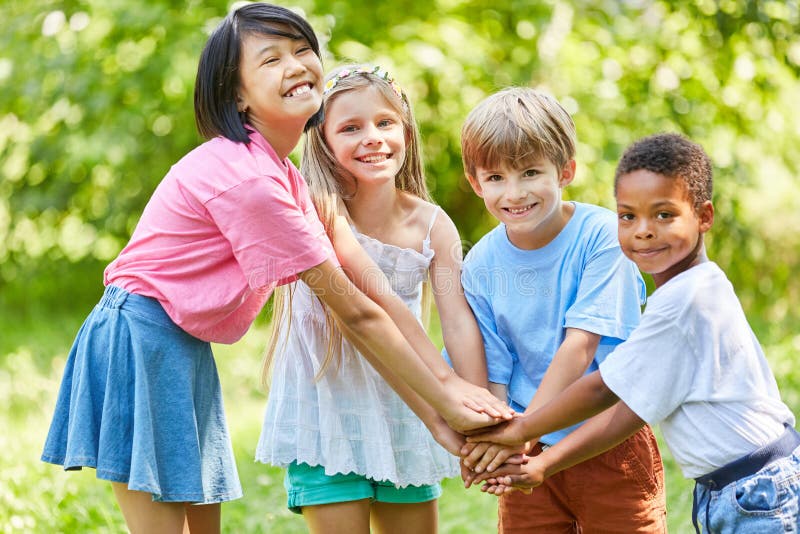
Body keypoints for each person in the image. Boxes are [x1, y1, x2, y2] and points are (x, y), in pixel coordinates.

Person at [40, 5, 509, 533]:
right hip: (137, 338)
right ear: (237, 95)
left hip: (181, 343)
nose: (295, 65)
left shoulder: (279, 174)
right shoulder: (253, 183)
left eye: (302, 49)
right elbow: (355, 314)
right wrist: (447, 405)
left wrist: (441, 403)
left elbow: (374, 292)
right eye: (271, 59)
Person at [468, 133, 800, 534]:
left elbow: (603, 390)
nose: (643, 231)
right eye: (627, 216)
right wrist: (543, 462)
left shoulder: (685, 302)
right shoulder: (689, 290)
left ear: (704, 216)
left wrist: (521, 431)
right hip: (737, 488)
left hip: (758, 492)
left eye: (664, 215)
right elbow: (633, 408)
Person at [256, 64, 491, 534]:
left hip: (408, 406)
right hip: (327, 411)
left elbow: (458, 322)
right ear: (323, 141)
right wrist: (448, 389)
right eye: (351, 128)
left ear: (406, 131)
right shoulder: (314, 211)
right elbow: (367, 310)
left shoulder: (432, 225)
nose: (373, 138)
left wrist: (478, 408)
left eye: (385, 123)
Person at [456, 87, 667, 532]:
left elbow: (580, 346)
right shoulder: (480, 265)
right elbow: (495, 368)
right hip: (524, 447)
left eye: (530, 172)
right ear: (475, 183)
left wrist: (522, 433)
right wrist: (495, 442)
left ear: (565, 171)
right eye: (495, 178)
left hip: (605, 439)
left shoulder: (603, 237)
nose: (514, 193)